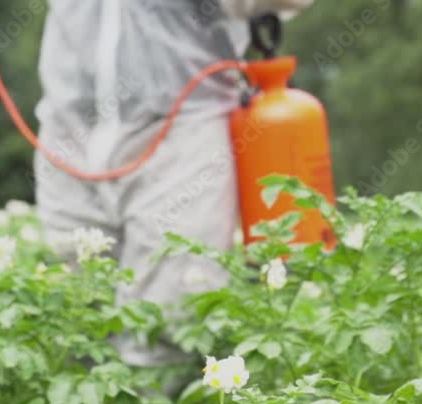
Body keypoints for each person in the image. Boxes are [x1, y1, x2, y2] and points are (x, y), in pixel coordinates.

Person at [33, 0, 315, 367]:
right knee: (76, 320)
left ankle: (161, 403)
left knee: (171, 324)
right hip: (68, 131)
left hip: (183, 132)